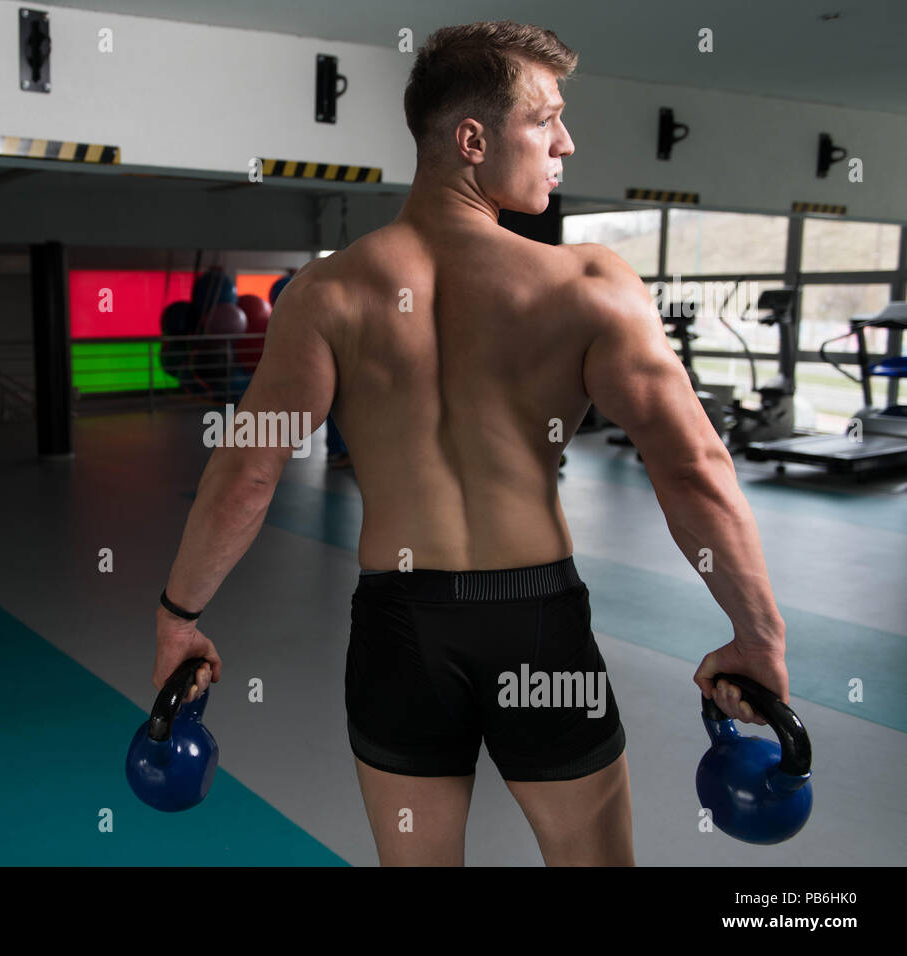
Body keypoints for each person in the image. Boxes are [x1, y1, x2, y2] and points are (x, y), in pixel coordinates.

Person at [153, 20, 789, 866]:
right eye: (547, 118)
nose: (567, 140)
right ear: (472, 138)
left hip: (399, 631)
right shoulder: (590, 286)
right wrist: (759, 637)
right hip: (536, 626)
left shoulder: (325, 294)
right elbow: (695, 471)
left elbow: (248, 472)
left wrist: (178, 617)